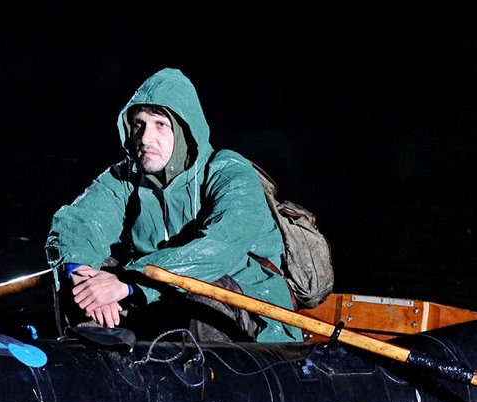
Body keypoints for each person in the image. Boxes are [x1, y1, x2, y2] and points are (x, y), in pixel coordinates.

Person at [45, 67, 302, 343]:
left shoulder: (228, 172)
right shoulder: (126, 178)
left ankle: (206, 371)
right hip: (160, 299)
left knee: (203, 287)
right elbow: (77, 223)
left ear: (184, 130)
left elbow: (219, 248)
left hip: (248, 307)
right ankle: (92, 360)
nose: (145, 138)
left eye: (160, 124)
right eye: (139, 124)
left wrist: (130, 282)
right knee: (85, 277)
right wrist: (81, 275)